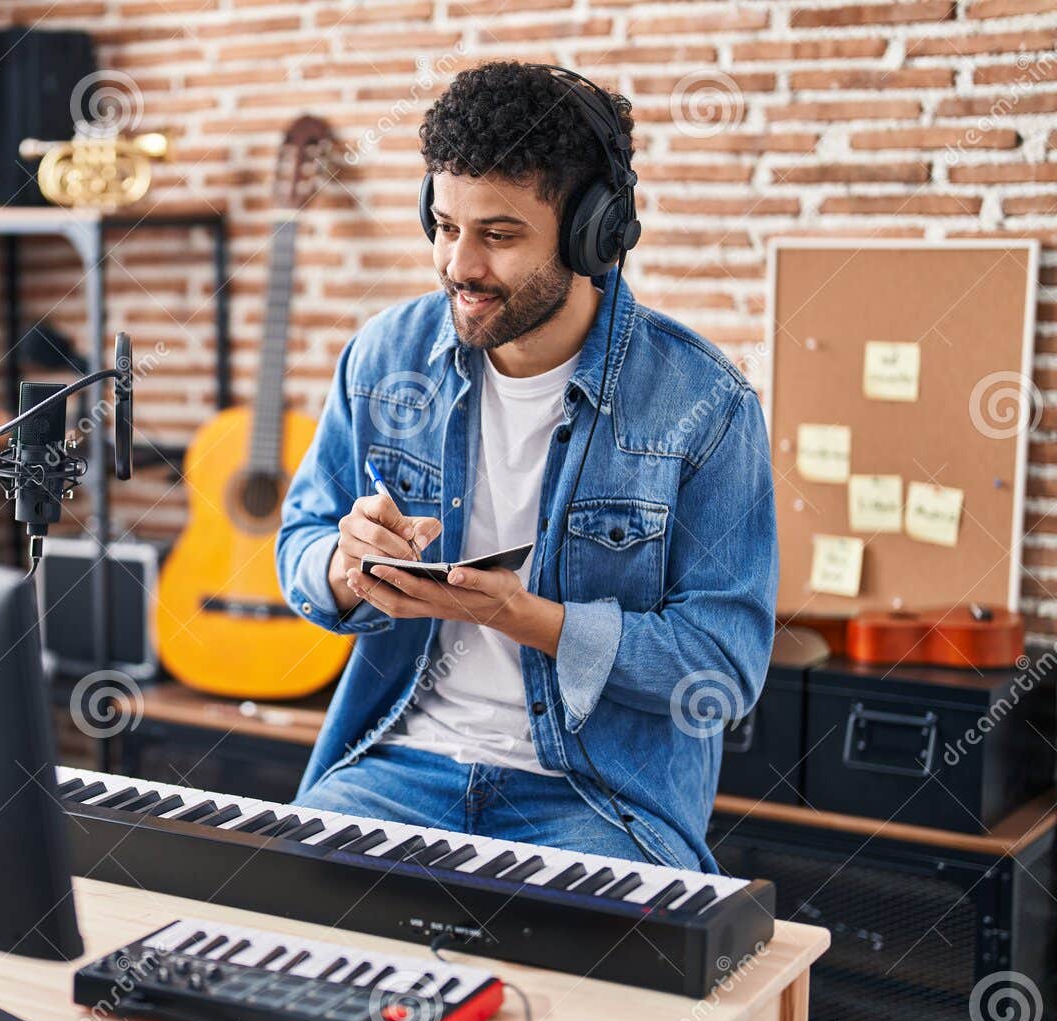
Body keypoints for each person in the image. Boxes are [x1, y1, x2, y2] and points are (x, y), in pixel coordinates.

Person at [275, 61, 777, 873]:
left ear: (593, 234)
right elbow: (298, 541)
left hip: (595, 800)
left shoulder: (704, 405)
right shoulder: (382, 357)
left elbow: (722, 666)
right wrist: (343, 564)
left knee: (614, 976)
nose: (458, 266)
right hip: (396, 766)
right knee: (268, 916)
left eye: (499, 236)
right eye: (444, 226)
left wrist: (528, 618)